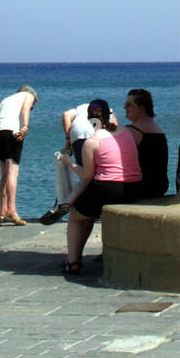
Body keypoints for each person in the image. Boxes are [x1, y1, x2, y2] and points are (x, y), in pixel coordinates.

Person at [64, 100, 143, 274]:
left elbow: (87, 176)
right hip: (134, 187)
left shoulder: (92, 142)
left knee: (77, 217)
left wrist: (69, 163)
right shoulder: (127, 133)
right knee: (87, 211)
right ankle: (77, 256)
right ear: (109, 115)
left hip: (108, 188)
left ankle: (72, 261)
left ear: (89, 119)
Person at [39, 97, 116, 224]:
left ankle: (67, 204)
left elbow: (65, 115)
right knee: (97, 171)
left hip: (78, 132)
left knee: (85, 172)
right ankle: (94, 209)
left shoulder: (80, 108)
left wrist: (68, 139)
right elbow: (114, 126)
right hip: (98, 134)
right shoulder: (108, 110)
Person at [0, 84, 38, 225]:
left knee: (5, 174)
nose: (31, 107)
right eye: (33, 106)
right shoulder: (28, 95)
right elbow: (25, 109)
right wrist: (25, 126)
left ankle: (2, 212)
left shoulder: (6, 100)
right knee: (13, 173)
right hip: (11, 132)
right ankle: (12, 211)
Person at [123, 88, 168, 197]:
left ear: (140, 108)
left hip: (142, 186)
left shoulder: (133, 131)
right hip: (161, 186)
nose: (125, 107)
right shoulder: (158, 130)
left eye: (129, 105)